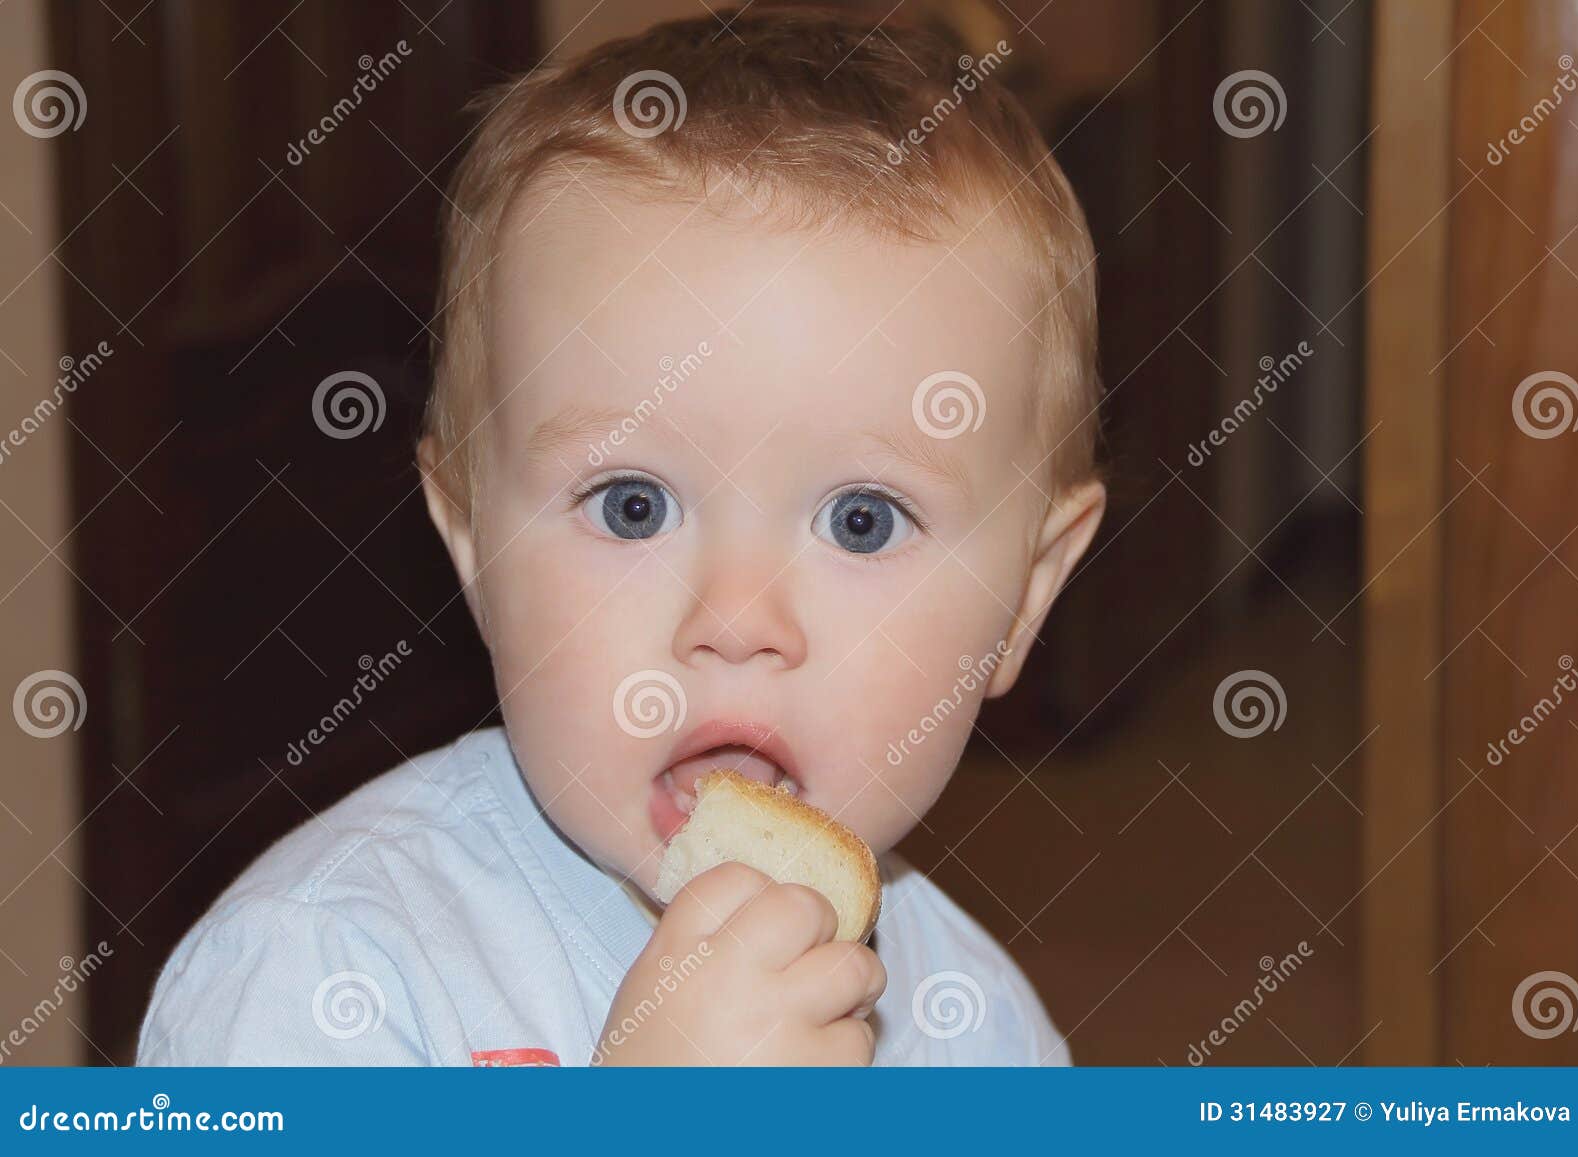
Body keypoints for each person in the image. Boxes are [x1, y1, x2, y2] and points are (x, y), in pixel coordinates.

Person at [137, 4, 1104, 1067]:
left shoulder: (979, 1021)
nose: (736, 617)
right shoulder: (320, 972)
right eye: (631, 504)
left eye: (861, 520)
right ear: (473, 543)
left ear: (1024, 597)